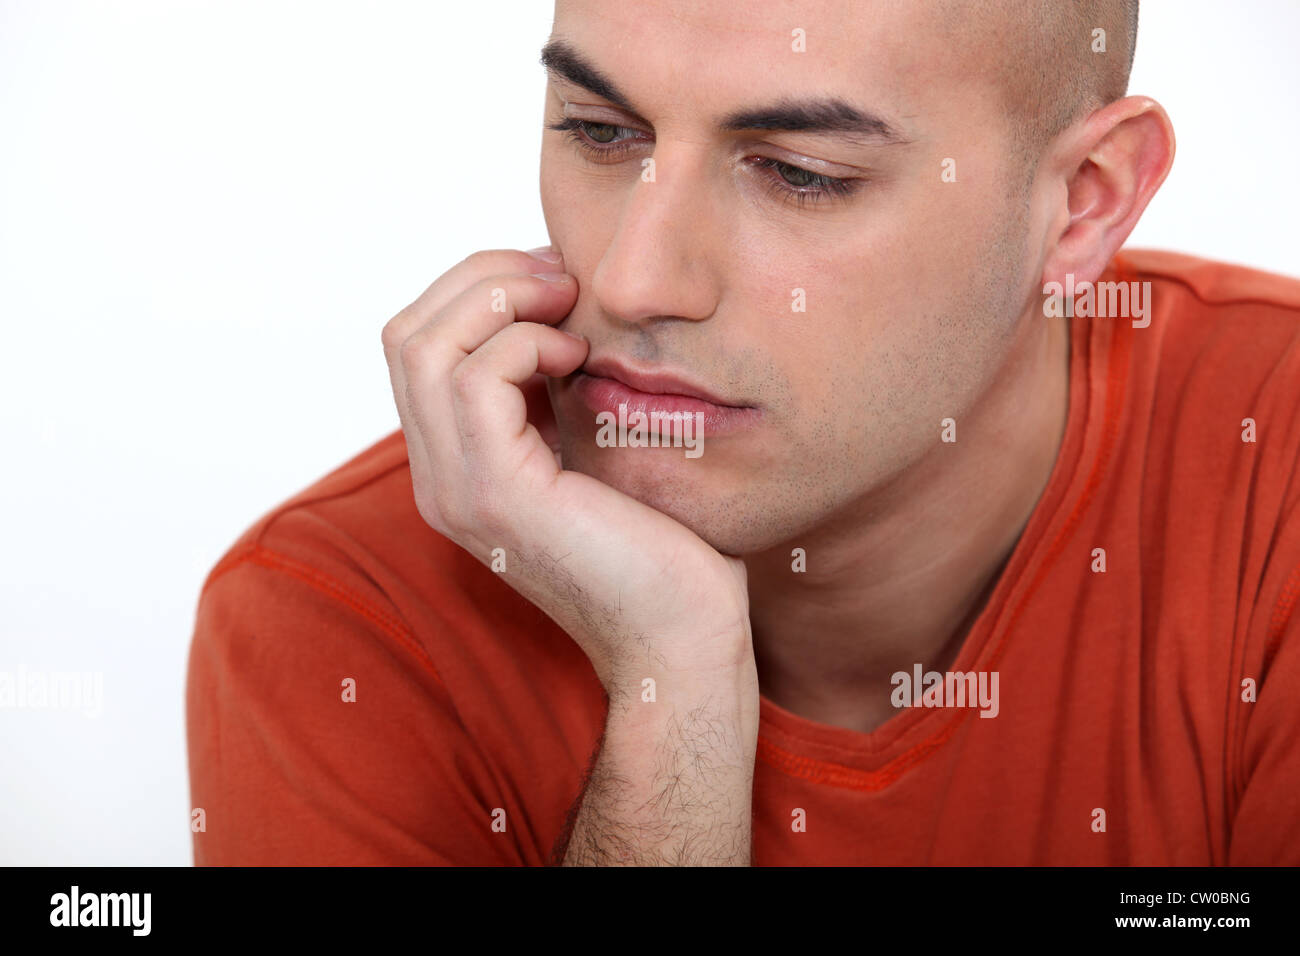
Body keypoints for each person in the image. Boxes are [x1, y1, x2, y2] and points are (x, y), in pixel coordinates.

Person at [185, 0, 1300, 865]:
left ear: (1085, 203)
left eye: (800, 174)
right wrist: (673, 684)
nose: (632, 278)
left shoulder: (1274, 462)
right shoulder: (342, 615)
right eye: (599, 129)